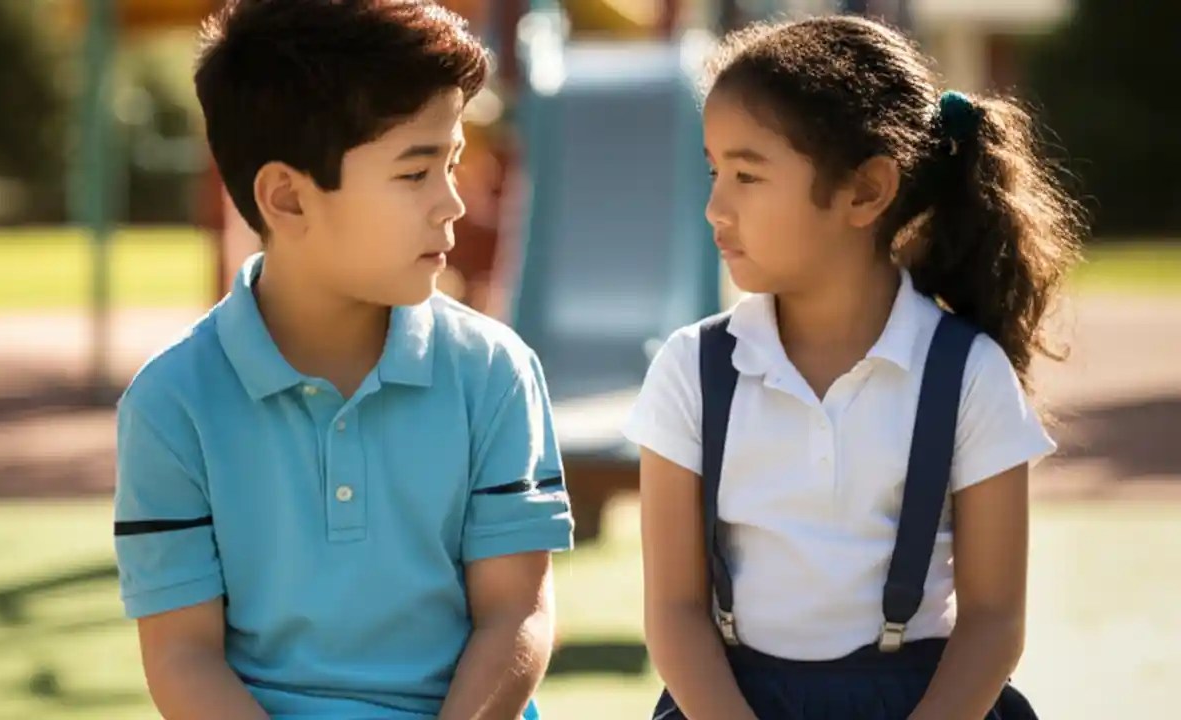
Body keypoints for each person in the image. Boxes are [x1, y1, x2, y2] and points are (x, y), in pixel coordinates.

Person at [112, 2, 574, 719]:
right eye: (416, 172)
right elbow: (182, 655)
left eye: (452, 163)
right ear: (288, 199)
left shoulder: (494, 372)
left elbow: (517, 612)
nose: (453, 203)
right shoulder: (170, 403)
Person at [624, 15, 1084, 720]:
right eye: (716, 172)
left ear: (866, 192)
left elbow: (993, 623)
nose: (715, 207)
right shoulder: (691, 370)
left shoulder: (968, 374)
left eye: (747, 175)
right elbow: (676, 612)